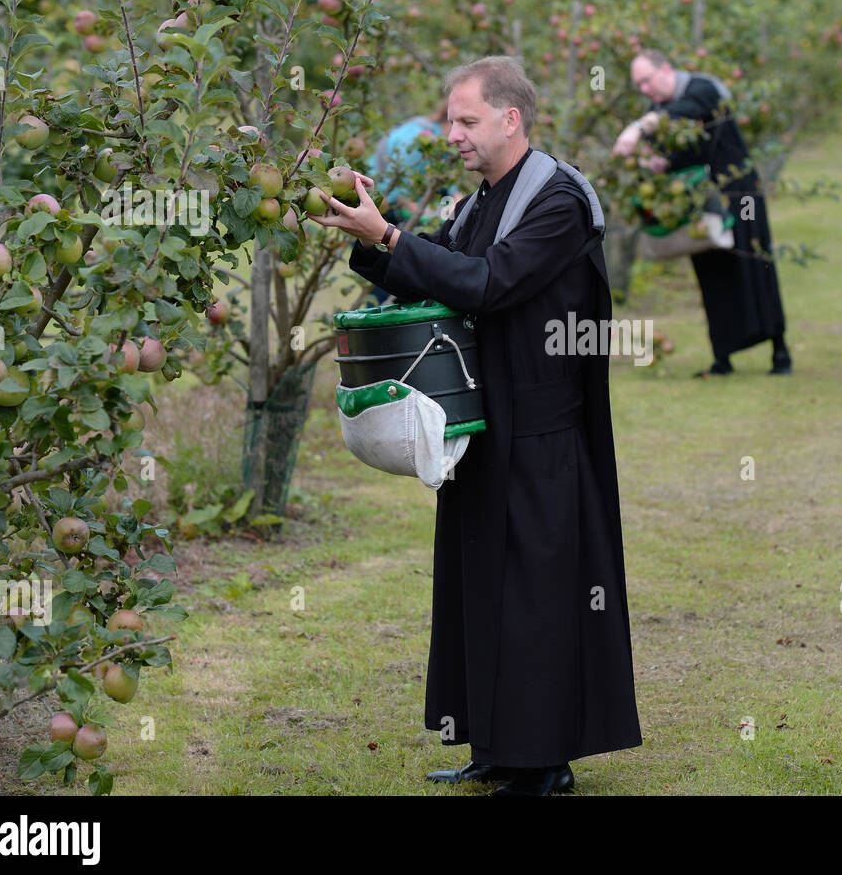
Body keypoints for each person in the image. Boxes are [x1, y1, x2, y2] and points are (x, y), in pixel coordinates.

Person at [311, 56, 642, 793]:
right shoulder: (479, 201)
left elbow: (488, 285)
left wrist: (391, 237)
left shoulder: (558, 199)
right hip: (488, 421)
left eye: (465, 120)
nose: (452, 134)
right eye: (451, 120)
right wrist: (370, 232)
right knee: (480, 587)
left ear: (509, 118)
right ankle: (494, 744)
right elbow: (441, 270)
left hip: (545, 431)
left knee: (538, 598)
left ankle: (541, 763)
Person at [614, 49, 791, 376]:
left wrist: (638, 128)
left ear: (665, 69)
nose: (643, 89)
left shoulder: (702, 89)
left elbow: (689, 111)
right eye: (638, 84)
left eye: (646, 80)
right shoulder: (658, 111)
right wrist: (658, 162)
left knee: (754, 262)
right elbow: (681, 153)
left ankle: (780, 351)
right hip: (701, 200)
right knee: (712, 271)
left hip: (739, 193)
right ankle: (722, 356)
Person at [365, 101, 454, 305]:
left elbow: (449, 183)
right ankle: (378, 328)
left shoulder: (443, 144)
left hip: (404, 209)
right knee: (385, 280)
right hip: (380, 208)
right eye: (463, 123)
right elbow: (398, 196)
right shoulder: (418, 140)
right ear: (449, 121)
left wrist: (454, 200)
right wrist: (433, 216)